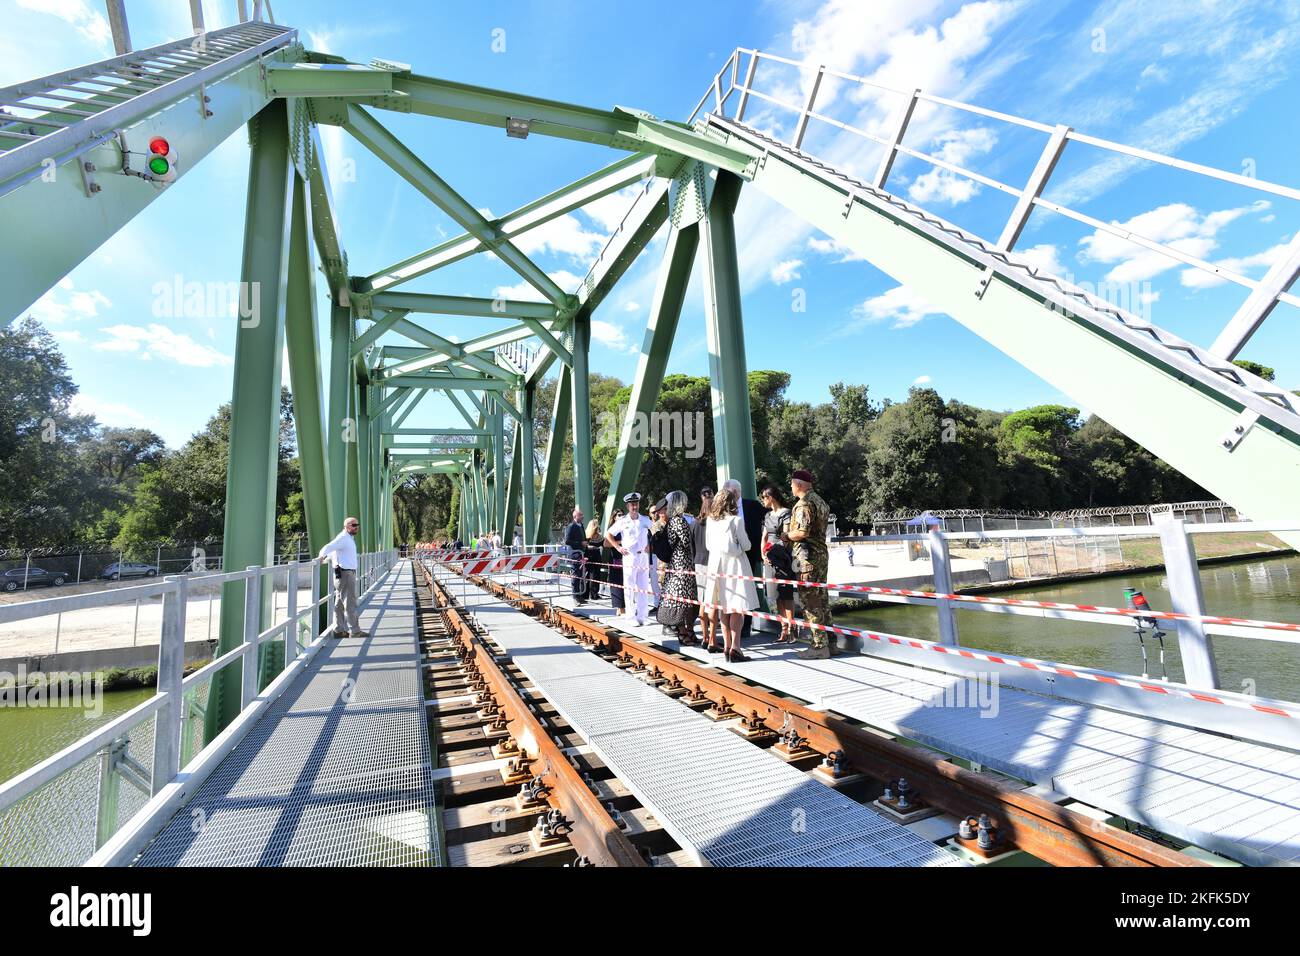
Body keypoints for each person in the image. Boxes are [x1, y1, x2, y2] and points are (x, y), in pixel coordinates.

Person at [705, 487, 759, 662]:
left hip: (716, 566)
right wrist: (737, 547)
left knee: (723, 607)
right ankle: (736, 647)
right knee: (737, 607)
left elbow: (708, 546)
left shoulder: (710, 521)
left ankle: (727, 647)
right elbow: (747, 545)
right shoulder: (736, 521)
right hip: (734, 566)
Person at [784, 469, 833, 659]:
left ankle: (819, 646)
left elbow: (802, 532)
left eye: (792, 483)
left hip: (807, 558)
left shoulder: (803, 504)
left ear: (799, 485)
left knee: (810, 602)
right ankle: (831, 642)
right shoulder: (820, 501)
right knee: (822, 599)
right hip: (821, 555)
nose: (790, 487)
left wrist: (786, 535)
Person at [721, 478, 765, 645]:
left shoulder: (752, 506)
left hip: (749, 556)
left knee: (745, 593)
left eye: (729, 492)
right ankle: (730, 638)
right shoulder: (720, 510)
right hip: (726, 560)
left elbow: (768, 520)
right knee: (728, 594)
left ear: (736, 492)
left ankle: (745, 628)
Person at [656, 491, 698, 645]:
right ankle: (683, 631)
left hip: (680, 562)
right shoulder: (677, 521)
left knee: (685, 597)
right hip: (681, 563)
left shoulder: (674, 520)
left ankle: (687, 630)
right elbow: (686, 541)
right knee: (681, 596)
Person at [606, 494, 652, 625]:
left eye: (636, 504)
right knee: (630, 587)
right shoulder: (622, 521)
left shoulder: (644, 519)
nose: (634, 506)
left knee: (643, 587)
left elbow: (654, 530)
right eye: (632, 504)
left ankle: (643, 616)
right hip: (629, 555)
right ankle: (631, 617)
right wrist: (617, 547)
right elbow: (608, 534)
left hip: (643, 555)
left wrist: (650, 543)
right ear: (627, 506)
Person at [760, 485, 797, 643]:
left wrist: (777, 553)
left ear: (771, 497)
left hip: (782, 557)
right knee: (775, 595)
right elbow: (764, 536)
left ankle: (792, 630)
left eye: (764, 497)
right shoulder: (768, 515)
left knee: (786, 595)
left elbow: (786, 538)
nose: (762, 500)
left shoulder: (786, 513)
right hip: (769, 558)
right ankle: (783, 629)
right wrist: (763, 555)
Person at [319, 516, 361, 639]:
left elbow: (335, 551)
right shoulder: (343, 538)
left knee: (339, 604)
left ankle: (338, 630)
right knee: (350, 602)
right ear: (347, 526)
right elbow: (330, 546)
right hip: (346, 574)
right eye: (354, 525)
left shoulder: (347, 538)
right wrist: (322, 556)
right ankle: (355, 631)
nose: (356, 527)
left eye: (357, 525)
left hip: (343, 573)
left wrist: (329, 558)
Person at [692, 487, 717, 651]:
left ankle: (704, 636)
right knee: (713, 601)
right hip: (712, 561)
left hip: (698, 562)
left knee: (702, 600)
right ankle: (713, 639)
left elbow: (692, 546)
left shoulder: (694, 523)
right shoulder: (715, 523)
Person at [564, 508, 588, 605]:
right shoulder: (571, 526)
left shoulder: (581, 525)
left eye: (582, 515)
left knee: (580, 575)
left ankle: (579, 596)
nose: (582, 517)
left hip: (581, 553)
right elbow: (567, 541)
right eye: (580, 515)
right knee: (576, 575)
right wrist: (580, 543)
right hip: (575, 554)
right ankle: (575, 596)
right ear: (575, 517)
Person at [604, 510, 625, 612]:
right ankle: (619, 607)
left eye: (623, 514)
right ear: (614, 517)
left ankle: (627, 606)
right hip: (616, 559)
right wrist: (620, 542)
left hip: (627, 558)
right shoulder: (612, 529)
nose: (622, 516)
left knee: (627, 583)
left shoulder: (626, 527)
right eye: (619, 515)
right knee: (617, 582)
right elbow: (606, 544)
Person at [584, 519, 604, 600]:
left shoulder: (598, 536)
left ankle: (590, 594)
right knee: (592, 576)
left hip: (593, 557)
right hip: (591, 557)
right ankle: (590, 594)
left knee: (592, 576)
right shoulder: (589, 536)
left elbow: (604, 543)